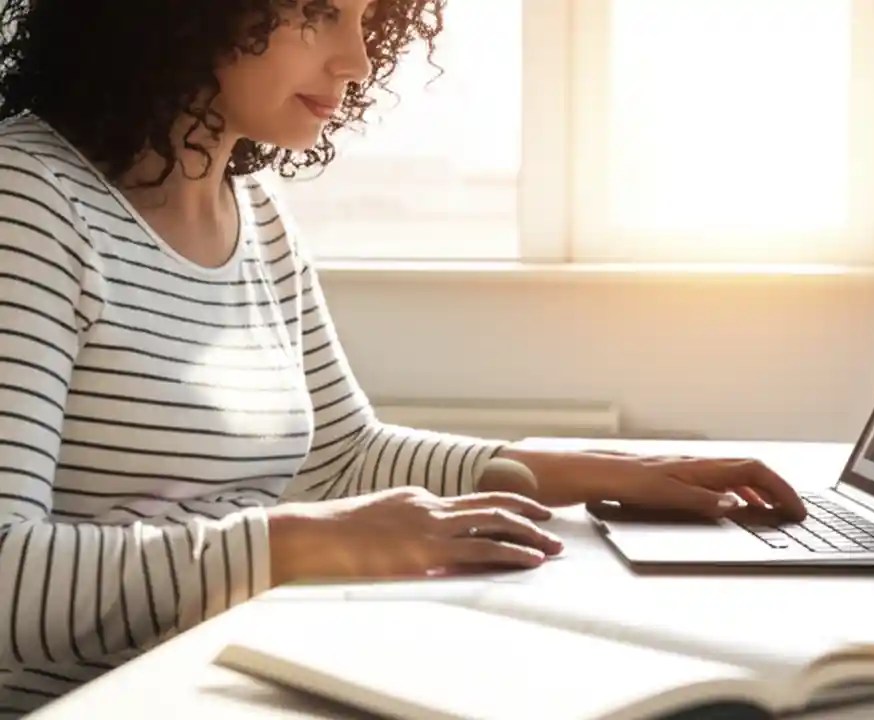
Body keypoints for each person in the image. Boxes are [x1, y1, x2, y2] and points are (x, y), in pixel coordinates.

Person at [0, 1, 806, 713]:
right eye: (318, 11)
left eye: (367, 17)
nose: (355, 61)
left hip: (222, 673)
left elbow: (343, 457)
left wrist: (594, 472)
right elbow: (8, 581)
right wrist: (301, 543)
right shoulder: (26, 200)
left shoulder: (254, 212)